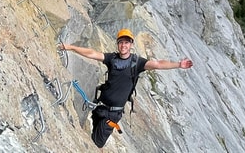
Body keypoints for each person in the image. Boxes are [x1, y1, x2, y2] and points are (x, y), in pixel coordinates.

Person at [59, 28, 193, 148]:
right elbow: (92, 53)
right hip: (99, 106)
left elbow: (157, 64)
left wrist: (178, 64)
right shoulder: (111, 58)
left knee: (97, 143)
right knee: (94, 134)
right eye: (121, 42)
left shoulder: (137, 63)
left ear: (131, 45)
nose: (123, 45)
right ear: (118, 44)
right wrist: (70, 47)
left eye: (126, 42)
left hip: (112, 114)